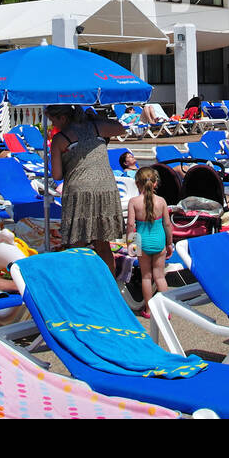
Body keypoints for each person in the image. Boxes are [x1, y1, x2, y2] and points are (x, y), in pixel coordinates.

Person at [48, 105, 127, 275]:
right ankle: (109, 285)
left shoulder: (60, 139)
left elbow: (57, 174)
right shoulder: (97, 127)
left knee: (77, 244)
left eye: (53, 120)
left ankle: (80, 285)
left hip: (79, 191)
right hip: (105, 188)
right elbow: (121, 128)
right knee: (103, 244)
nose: (52, 125)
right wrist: (97, 118)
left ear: (63, 118)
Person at [126, 166, 173, 315]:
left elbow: (131, 225)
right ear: (155, 183)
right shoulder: (161, 201)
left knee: (146, 277)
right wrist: (169, 243)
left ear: (136, 183)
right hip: (159, 240)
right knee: (160, 276)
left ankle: (148, 309)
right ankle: (166, 311)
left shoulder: (134, 202)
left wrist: (130, 244)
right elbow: (167, 224)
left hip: (142, 242)